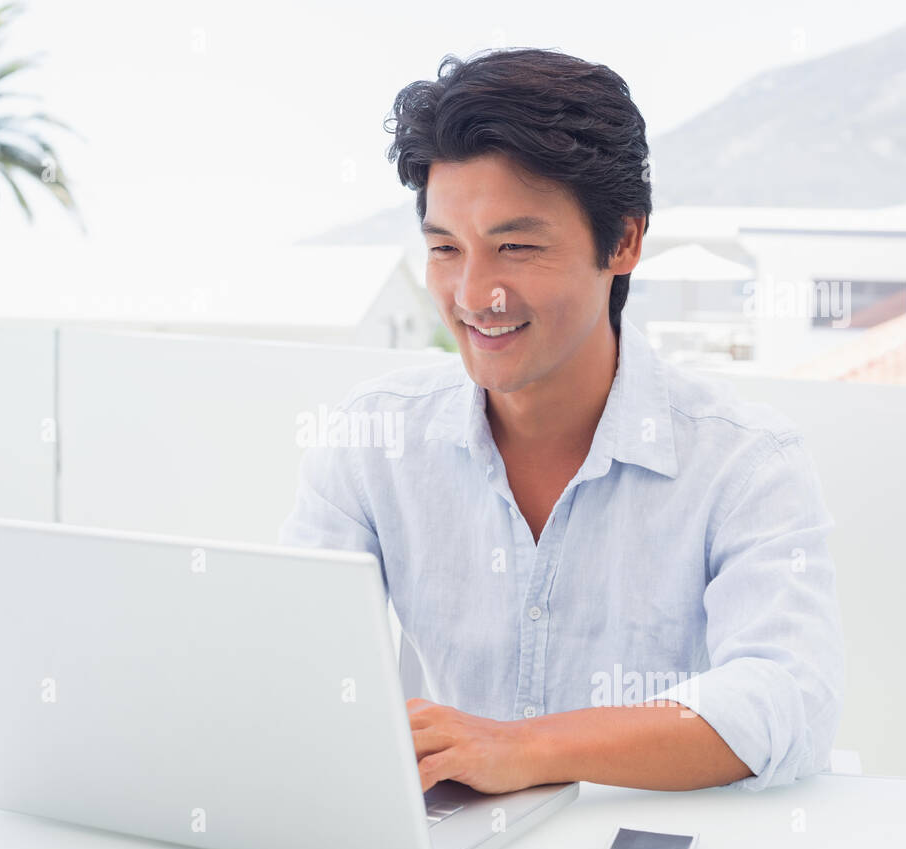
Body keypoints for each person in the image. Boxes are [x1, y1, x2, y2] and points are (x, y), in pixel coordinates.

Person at [279, 48, 844, 794]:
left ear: (625, 242)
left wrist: (528, 749)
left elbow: (787, 700)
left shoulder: (746, 462)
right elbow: (292, 668)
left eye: (517, 247)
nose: (477, 294)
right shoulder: (371, 442)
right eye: (446, 249)